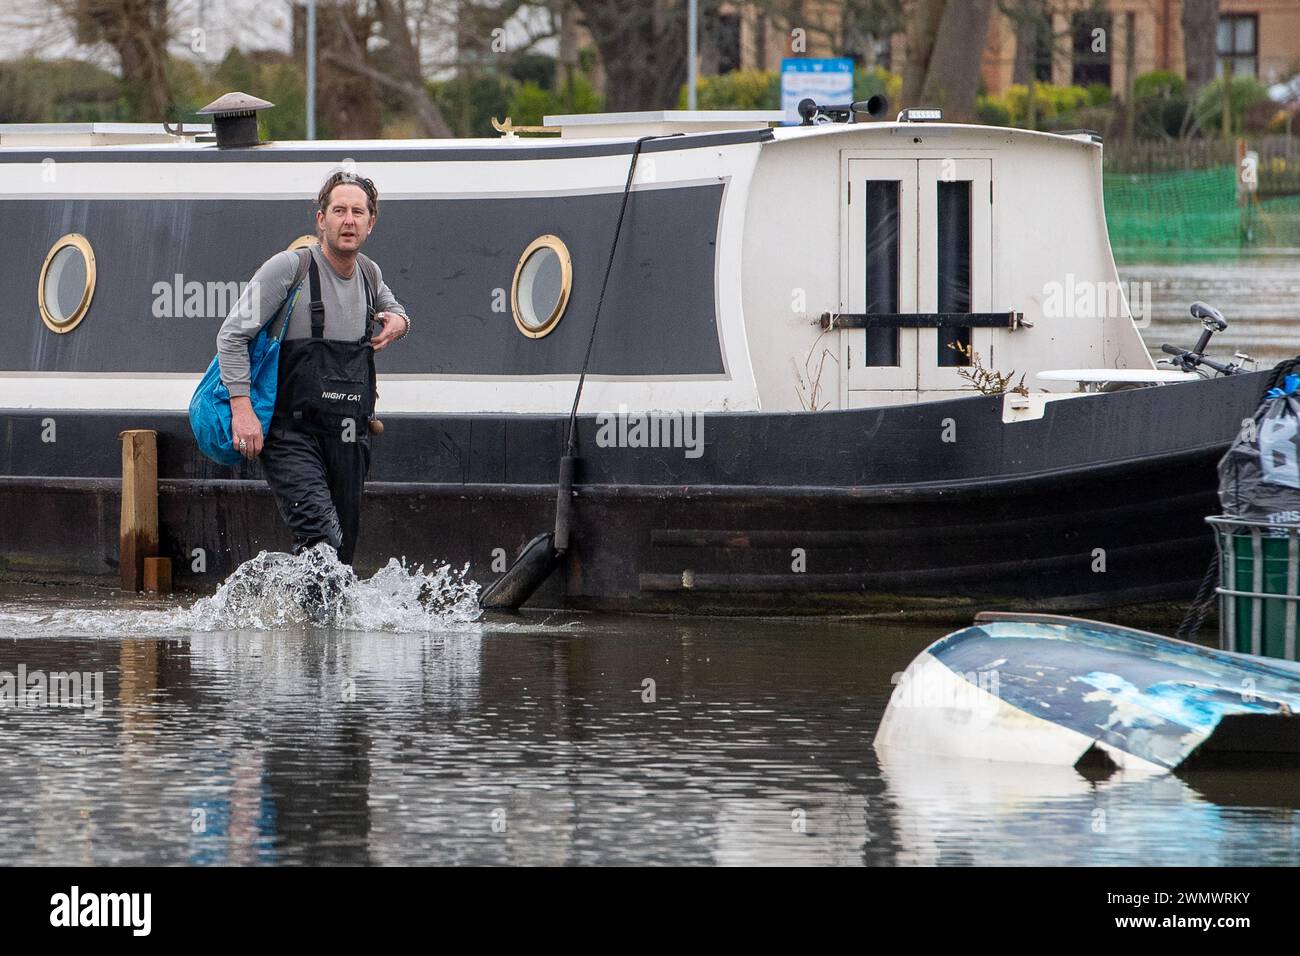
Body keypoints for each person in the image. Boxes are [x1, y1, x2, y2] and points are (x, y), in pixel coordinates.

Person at [216, 170, 410, 575]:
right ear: (321, 219)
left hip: (349, 435)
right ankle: (289, 622)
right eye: (339, 210)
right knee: (322, 543)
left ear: (371, 223)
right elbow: (232, 336)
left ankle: (310, 630)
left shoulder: (370, 274)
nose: (348, 220)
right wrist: (242, 409)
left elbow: (397, 312)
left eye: (358, 212)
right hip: (290, 434)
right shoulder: (289, 268)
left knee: (342, 558)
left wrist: (398, 323)